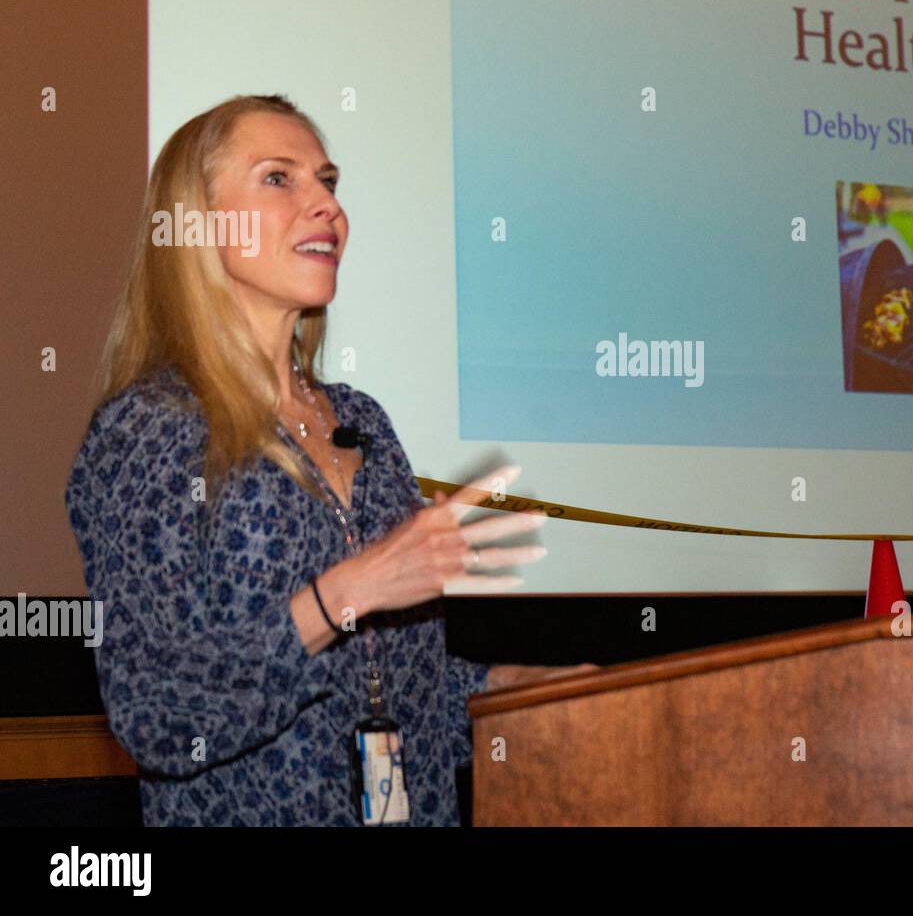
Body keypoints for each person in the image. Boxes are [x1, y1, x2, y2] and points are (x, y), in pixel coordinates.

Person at [64, 94, 594, 826]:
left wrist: (516, 690)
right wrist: (349, 590)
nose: (327, 206)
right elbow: (158, 711)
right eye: (279, 179)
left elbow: (385, 683)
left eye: (329, 182)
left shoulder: (363, 422)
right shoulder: (151, 430)